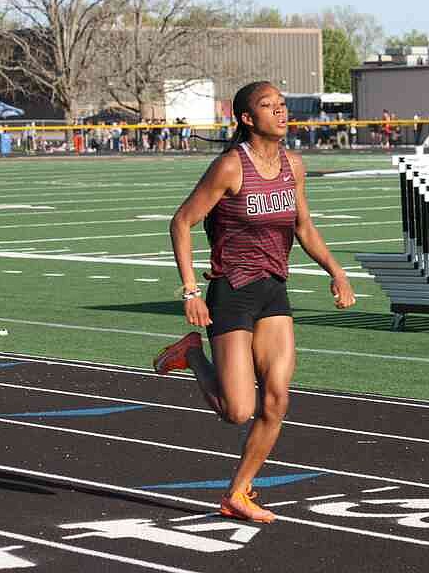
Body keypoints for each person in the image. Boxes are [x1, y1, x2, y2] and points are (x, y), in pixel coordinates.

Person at [152, 80, 356, 523]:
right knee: (238, 410)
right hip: (232, 292)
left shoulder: (293, 165)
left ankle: (238, 492)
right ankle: (192, 354)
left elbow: (303, 228)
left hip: (273, 291)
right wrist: (190, 290)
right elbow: (181, 222)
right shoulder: (229, 167)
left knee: (277, 398)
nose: (281, 112)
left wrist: (336, 273)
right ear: (247, 118)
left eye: (283, 104)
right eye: (270, 106)